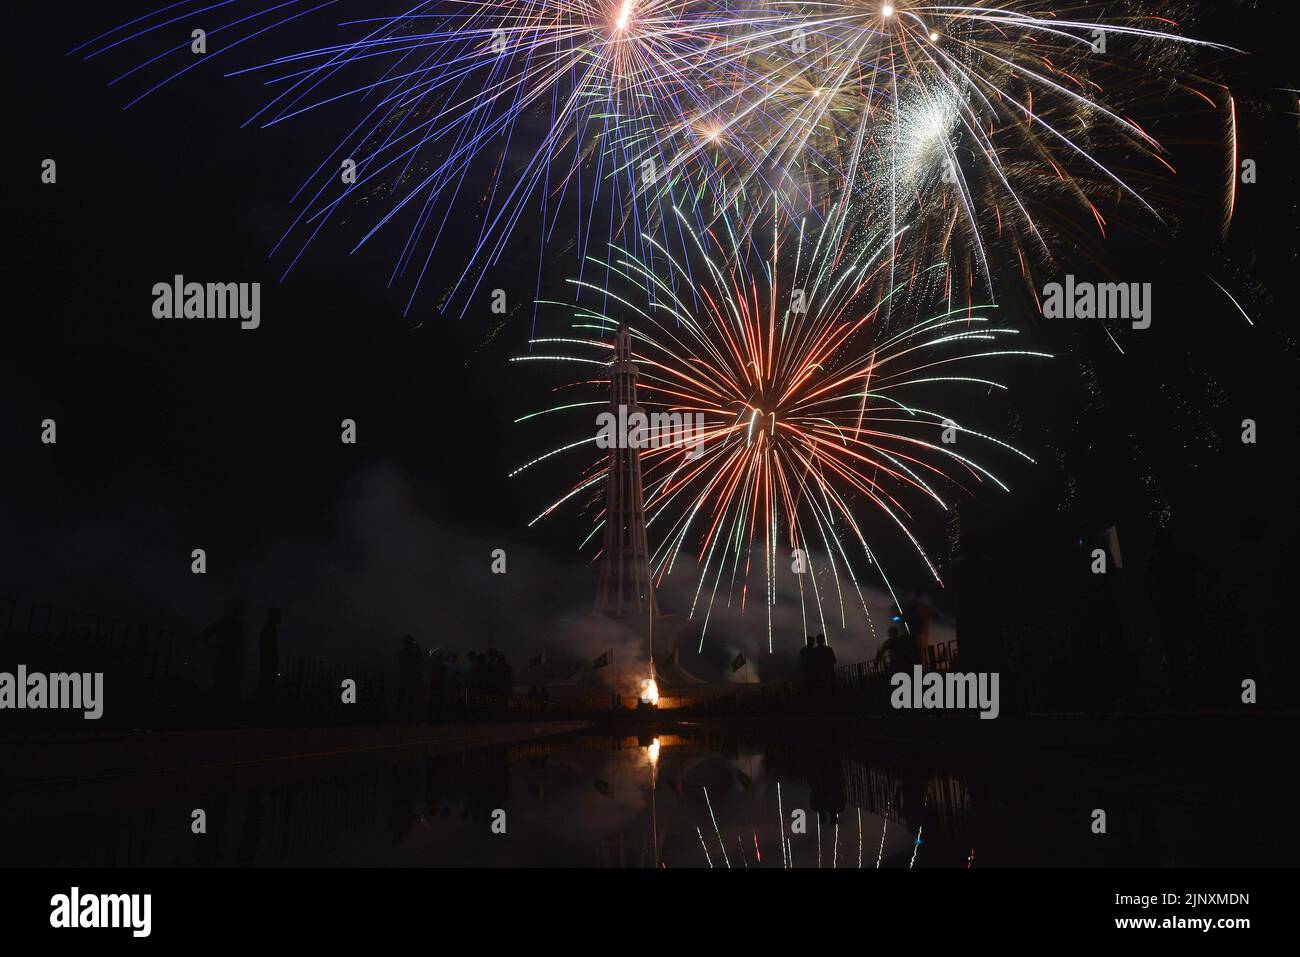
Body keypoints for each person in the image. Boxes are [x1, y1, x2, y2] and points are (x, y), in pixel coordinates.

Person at [201, 599, 245, 714]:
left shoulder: (230, 623)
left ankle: (222, 712)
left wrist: (215, 646)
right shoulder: (232, 624)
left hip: (228, 659)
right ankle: (223, 712)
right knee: (227, 686)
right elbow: (206, 635)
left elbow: (206, 635)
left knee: (225, 686)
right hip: (228, 659)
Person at [257, 607, 282, 705]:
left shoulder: (269, 629)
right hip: (268, 666)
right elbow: (269, 649)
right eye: (279, 615)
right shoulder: (269, 629)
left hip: (267, 665)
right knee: (267, 689)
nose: (281, 617)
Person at [397, 635, 423, 723]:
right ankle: (409, 719)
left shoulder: (400, 653)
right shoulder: (414, 653)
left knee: (400, 697)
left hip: (403, 676)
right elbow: (421, 659)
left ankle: (396, 718)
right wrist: (417, 648)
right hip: (412, 677)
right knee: (411, 698)